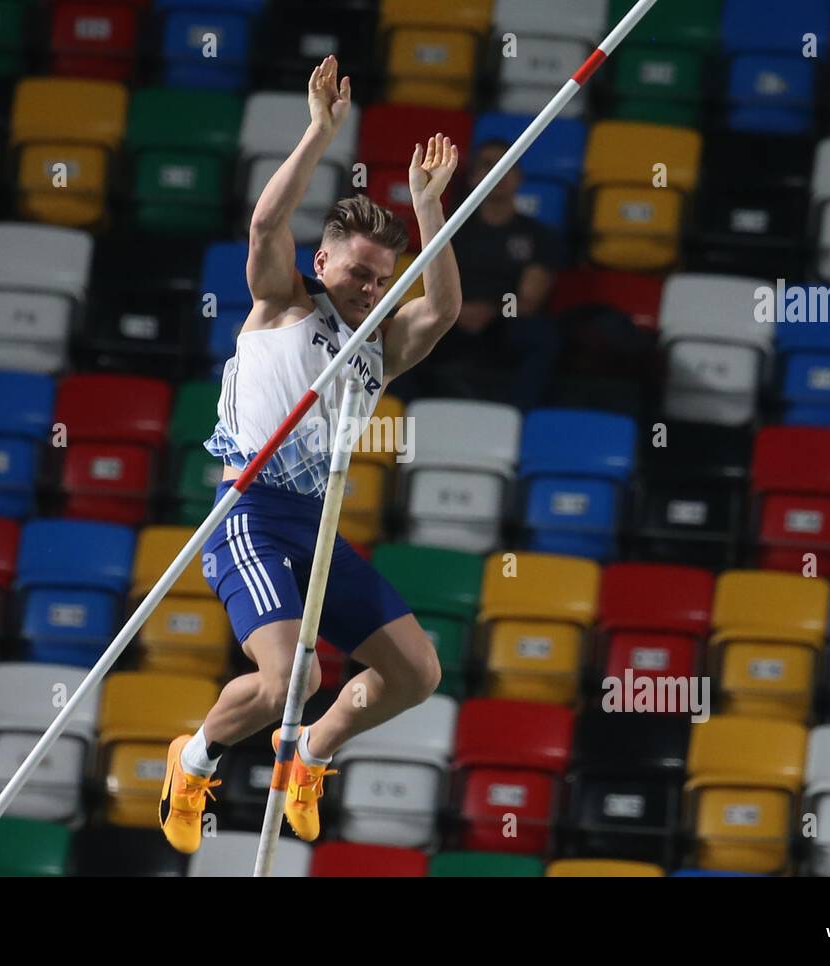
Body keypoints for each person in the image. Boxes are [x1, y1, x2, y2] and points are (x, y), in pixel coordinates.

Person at [158, 54, 463, 854]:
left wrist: (429, 207)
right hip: (250, 518)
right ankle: (192, 760)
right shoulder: (280, 305)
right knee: (292, 675)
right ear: (323, 262)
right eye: (357, 272)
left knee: (417, 674)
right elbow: (264, 228)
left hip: (317, 530)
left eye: (380, 279)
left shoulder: (378, 347)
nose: (369, 288)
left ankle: (312, 753)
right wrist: (320, 132)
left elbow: (445, 308)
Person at [395, 138, 565, 410]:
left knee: (541, 336)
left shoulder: (538, 236)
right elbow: (432, 283)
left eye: (506, 165)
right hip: (451, 319)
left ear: (519, 178)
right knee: (404, 328)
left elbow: (530, 300)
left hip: (503, 322)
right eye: (487, 165)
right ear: (474, 177)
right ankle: (403, 413)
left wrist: (491, 311)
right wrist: (457, 311)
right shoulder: (450, 229)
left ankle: (520, 417)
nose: (497, 172)